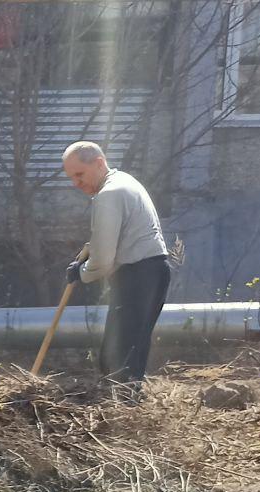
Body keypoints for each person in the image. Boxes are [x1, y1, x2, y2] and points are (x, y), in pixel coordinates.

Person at [62, 141, 170, 393]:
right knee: (130, 351)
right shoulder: (125, 182)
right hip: (153, 271)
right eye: (71, 177)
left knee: (118, 356)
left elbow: (103, 259)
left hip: (138, 274)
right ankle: (128, 407)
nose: (76, 183)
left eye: (79, 174)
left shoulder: (109, 194)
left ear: (99, 163)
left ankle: (123, 416)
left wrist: (82, 271)